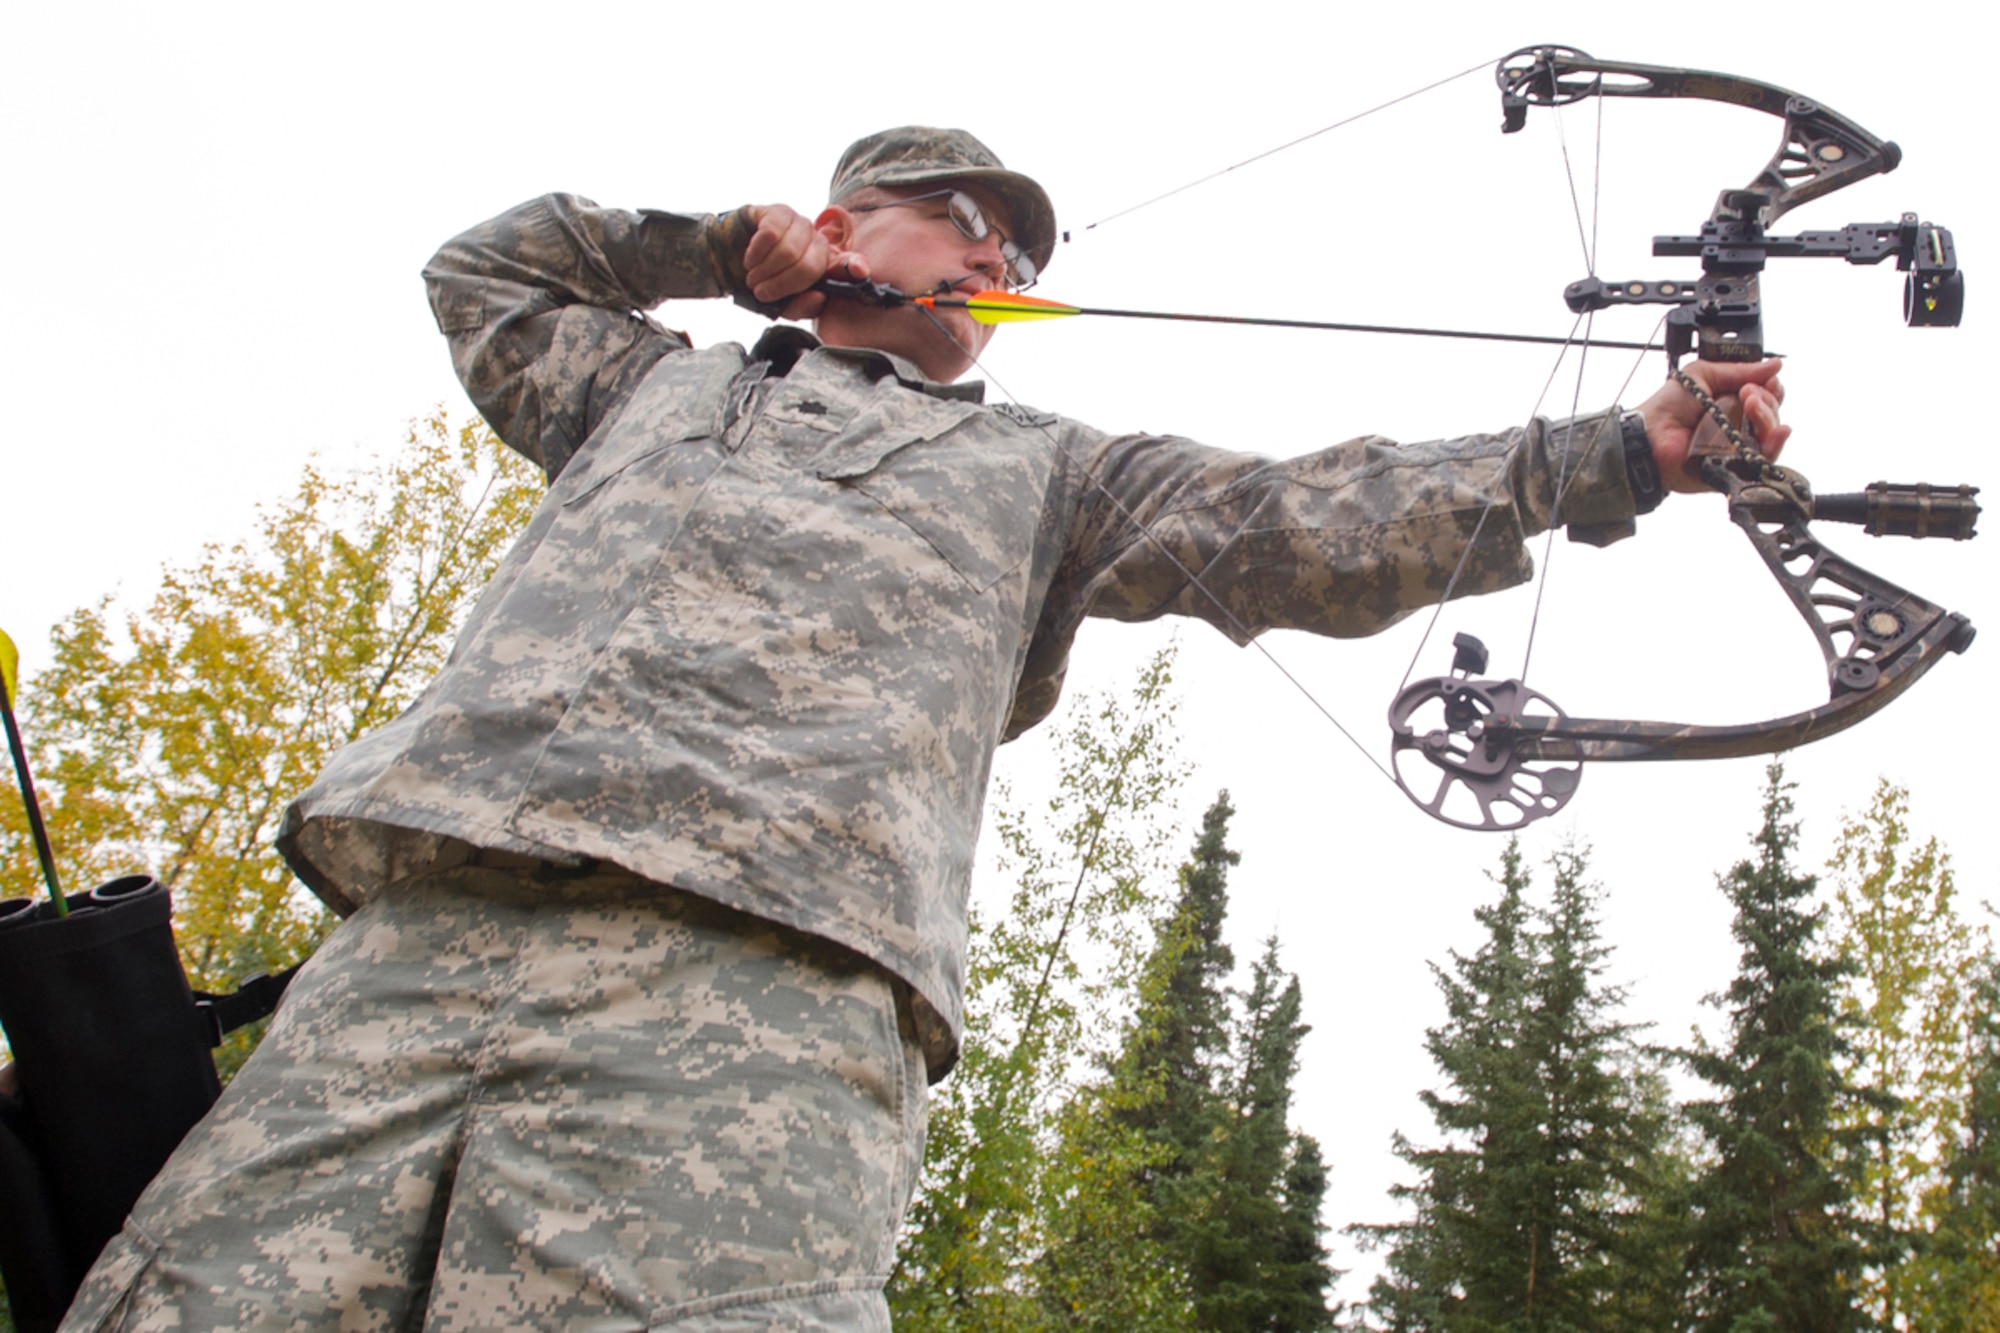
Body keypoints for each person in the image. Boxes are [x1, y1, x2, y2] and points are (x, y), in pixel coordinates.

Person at [60, 127, 1785, 1332]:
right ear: (839, 226)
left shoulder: (1048, 468)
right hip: (417, 952)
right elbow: (483, 270)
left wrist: (1620, 452)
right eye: (957, 214)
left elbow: (1302, 521)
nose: (998, 255)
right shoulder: (644, 386)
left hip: (755, 1007)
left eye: (1021, 250)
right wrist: (709, 249)